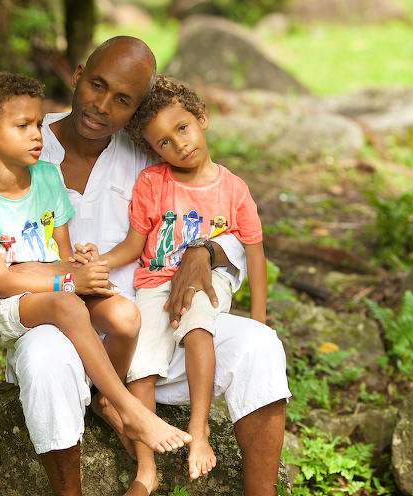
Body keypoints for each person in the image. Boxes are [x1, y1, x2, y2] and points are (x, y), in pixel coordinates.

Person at [0, 36, 290, 496]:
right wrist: (45, 288)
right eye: (96, 85)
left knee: (259, 344)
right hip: (54, 325)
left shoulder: (150, 154)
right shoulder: (21, 144)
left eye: (123, 100)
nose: (101, 106)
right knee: (44, 357)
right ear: (77, 77)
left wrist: (204, 251)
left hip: (147, 329)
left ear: (135, 111)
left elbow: (224, 215)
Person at [0, 71, 191, 456]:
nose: (37, 135)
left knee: (125, 316)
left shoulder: (46, 176)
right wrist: (69, 282)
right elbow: (3, 283)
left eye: (39, 124)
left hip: (56, 285)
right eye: (23, 126)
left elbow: (61, 253)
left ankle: (104, 398)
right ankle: (129, 408)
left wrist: (80, 263)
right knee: (66, 303)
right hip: (13, 304)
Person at [74, 74, 268, 484]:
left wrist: (259, 318)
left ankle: (199, 431)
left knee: (199, 329)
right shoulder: (152, 183)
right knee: (140, 368)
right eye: (164, 142)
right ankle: (147, 472)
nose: (179, 144)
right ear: (152, 150)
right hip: (152, 283)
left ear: (201, 118)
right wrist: (99, 262)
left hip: (203, 281)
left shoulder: (233, 189)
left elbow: (254, 252)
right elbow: (133, 245)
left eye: (183, 128)